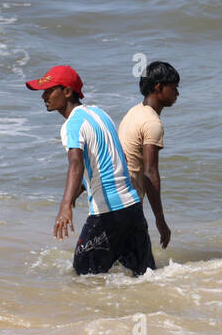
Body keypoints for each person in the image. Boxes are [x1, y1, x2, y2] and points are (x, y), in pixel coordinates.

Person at [26, 64, 154, 276]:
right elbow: (105, 161)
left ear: (67, 92)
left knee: (82, 277)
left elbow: (76, 164)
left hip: (108, 213)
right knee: (144, 276)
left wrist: (65, 206)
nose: (44, 96)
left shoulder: (71, 125)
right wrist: (79, 191)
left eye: (49, 90)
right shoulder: (99, 113)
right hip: (132, 208)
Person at [118, 61, 179, 249]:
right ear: (159, 87)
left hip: (116, 197)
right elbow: (150, 173)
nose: (177, 93)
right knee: (144, 270)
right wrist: (160, 221)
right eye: (174, 87)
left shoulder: (134, 112)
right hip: (129, 203)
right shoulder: (152, 123)